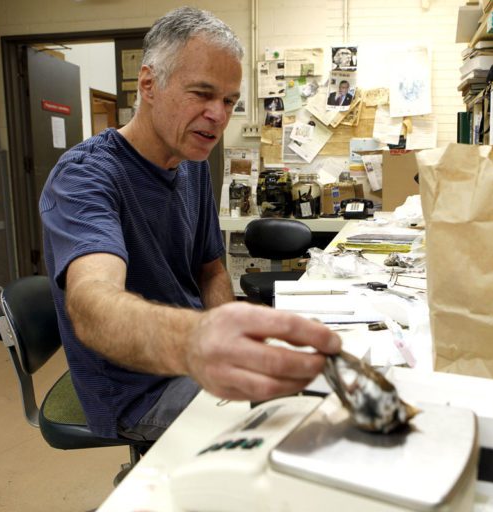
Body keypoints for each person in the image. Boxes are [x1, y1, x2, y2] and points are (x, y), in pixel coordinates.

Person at [39, 7, 341, 442]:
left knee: (319, 394)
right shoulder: (84, 178)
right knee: (298, 430)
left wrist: (229, 340)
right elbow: (93, 304)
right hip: (137, 391)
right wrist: (197, 339)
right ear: (149, 85)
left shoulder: (191, 161)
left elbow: (211, 267)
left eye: (229, 101)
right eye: (202, 94)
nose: (218, 115)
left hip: (191, 360)